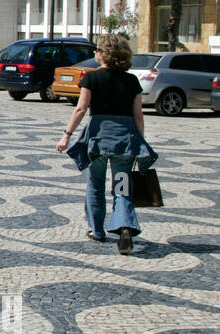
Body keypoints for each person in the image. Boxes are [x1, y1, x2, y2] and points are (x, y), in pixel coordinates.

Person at [56, 34, 156, 254]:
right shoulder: (132, 81)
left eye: (97, 50)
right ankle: (125, 227)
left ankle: (97, 230)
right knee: (122, 186)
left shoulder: (91, 78)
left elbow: (81, 109)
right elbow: (138, 115)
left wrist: (66, 135)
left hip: (98, 140)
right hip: (125, 141)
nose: (94, 53)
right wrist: (139, 141)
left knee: (95, 184)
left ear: (103, 54)